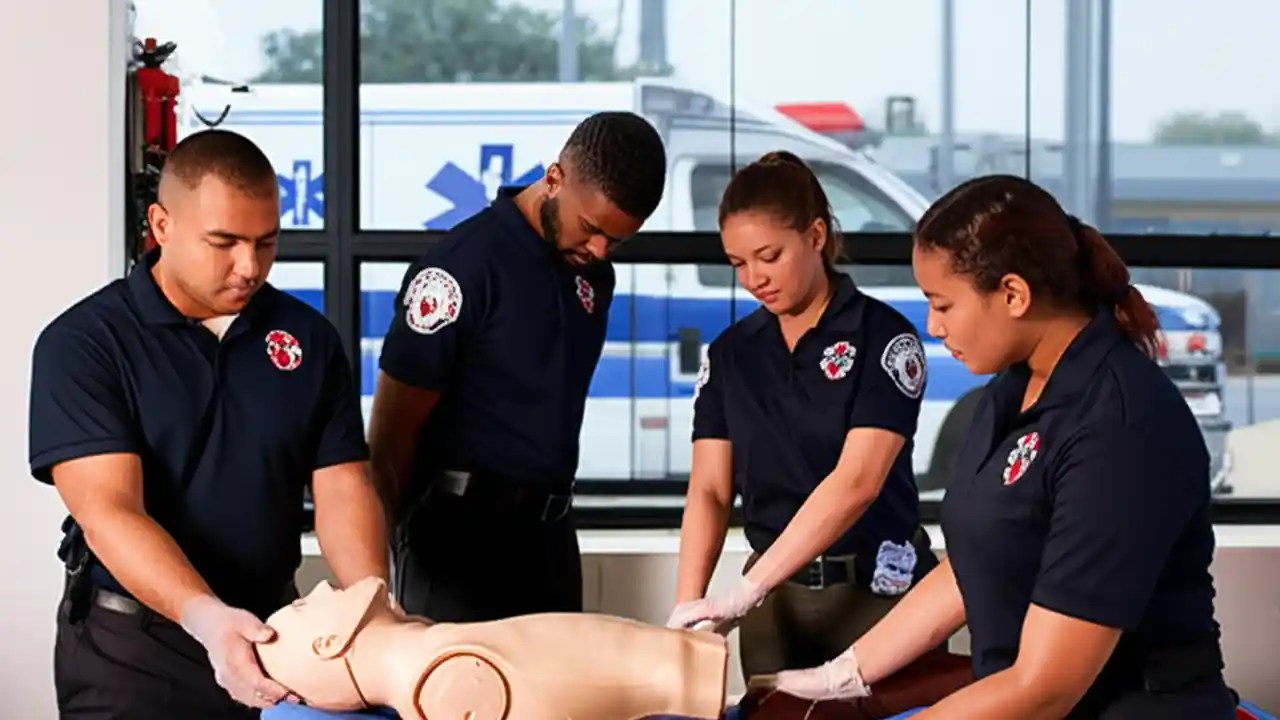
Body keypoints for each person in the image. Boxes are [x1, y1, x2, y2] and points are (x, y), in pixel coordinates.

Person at [763, 174, 1236, 718]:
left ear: (1013, 294)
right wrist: (842, 675)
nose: (932, 326)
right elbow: (977, 560)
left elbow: (1044, 688)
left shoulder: (1121, 428)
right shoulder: (1009, 391)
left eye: (943, 305)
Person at [28, 129, 390, 720]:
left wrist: (372, 606)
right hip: (133, 650)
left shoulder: (307, 339)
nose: (249, 266)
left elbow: (343, 485)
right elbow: (109, 511)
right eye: (224, 242)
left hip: (274, 637)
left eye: (266, 243)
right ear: (162, 225)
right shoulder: (85, 343)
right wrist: (206, 617)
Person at [368, 111, 668, 622]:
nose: (600, 251)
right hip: (457, 545)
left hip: (550, 539)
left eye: (618, 240)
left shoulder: (593, 275)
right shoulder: (461, 269)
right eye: (591, 228)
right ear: (554, 178)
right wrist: (387, 569)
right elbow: (390, 437)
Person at [664, 151, 938, 680]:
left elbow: (856, 483)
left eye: (769, 256)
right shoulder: (733, 354)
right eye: (738, 263)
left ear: (816, 236)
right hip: (776, 607)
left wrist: (747, 590)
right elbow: (711, 491)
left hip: (877, 595)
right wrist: (688, 613)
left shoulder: (883, 337)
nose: (753, 279)